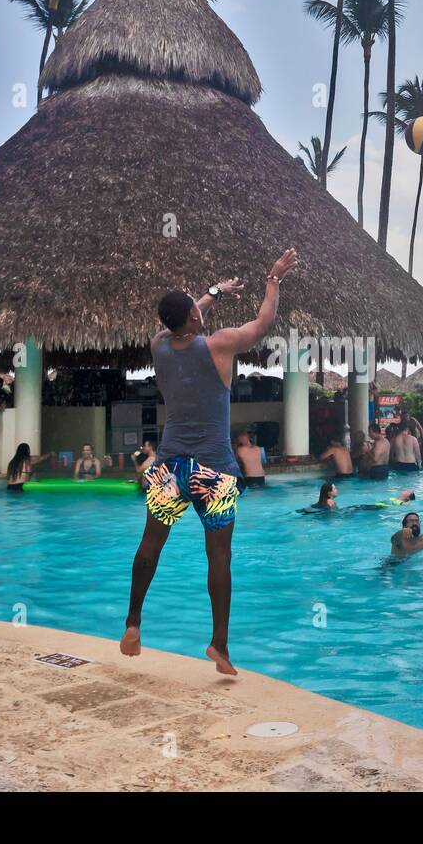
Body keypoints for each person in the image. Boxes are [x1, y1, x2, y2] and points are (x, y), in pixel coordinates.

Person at [121, 247, 298, 677]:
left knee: (150, 545)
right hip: (214, 472)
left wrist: (214, 292)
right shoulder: (218, 346)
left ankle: (133, 623)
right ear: (196, 320)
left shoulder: (159, 346)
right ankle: (219, 645)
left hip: (169, 468)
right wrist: (272, 279)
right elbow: (263, 323)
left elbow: (186, 315)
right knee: (219, 558)